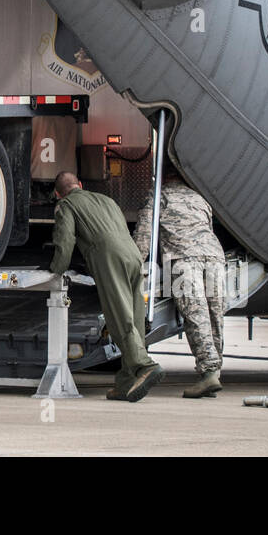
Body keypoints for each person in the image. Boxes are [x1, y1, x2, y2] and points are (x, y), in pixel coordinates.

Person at [50, 172, 164, 402]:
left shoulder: (66, 205)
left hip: (110, 259)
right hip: (133, 255)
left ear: (57, 193)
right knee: (135, 319)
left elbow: (65, 240)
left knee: (119, 318)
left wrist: (56, 270)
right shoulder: (107, 200)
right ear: (80, 184)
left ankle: (145, 366)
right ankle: (125, 383)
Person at [135, 171, 227, 398]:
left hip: (184, 259)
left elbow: (145, 235)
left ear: (163, 177)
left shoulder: (158, 196)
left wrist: (133, 262)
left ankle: (208, 374)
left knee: (196, 316)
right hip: (214, 257)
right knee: (215, 316)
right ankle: (214, 372)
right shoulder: (199, 197)